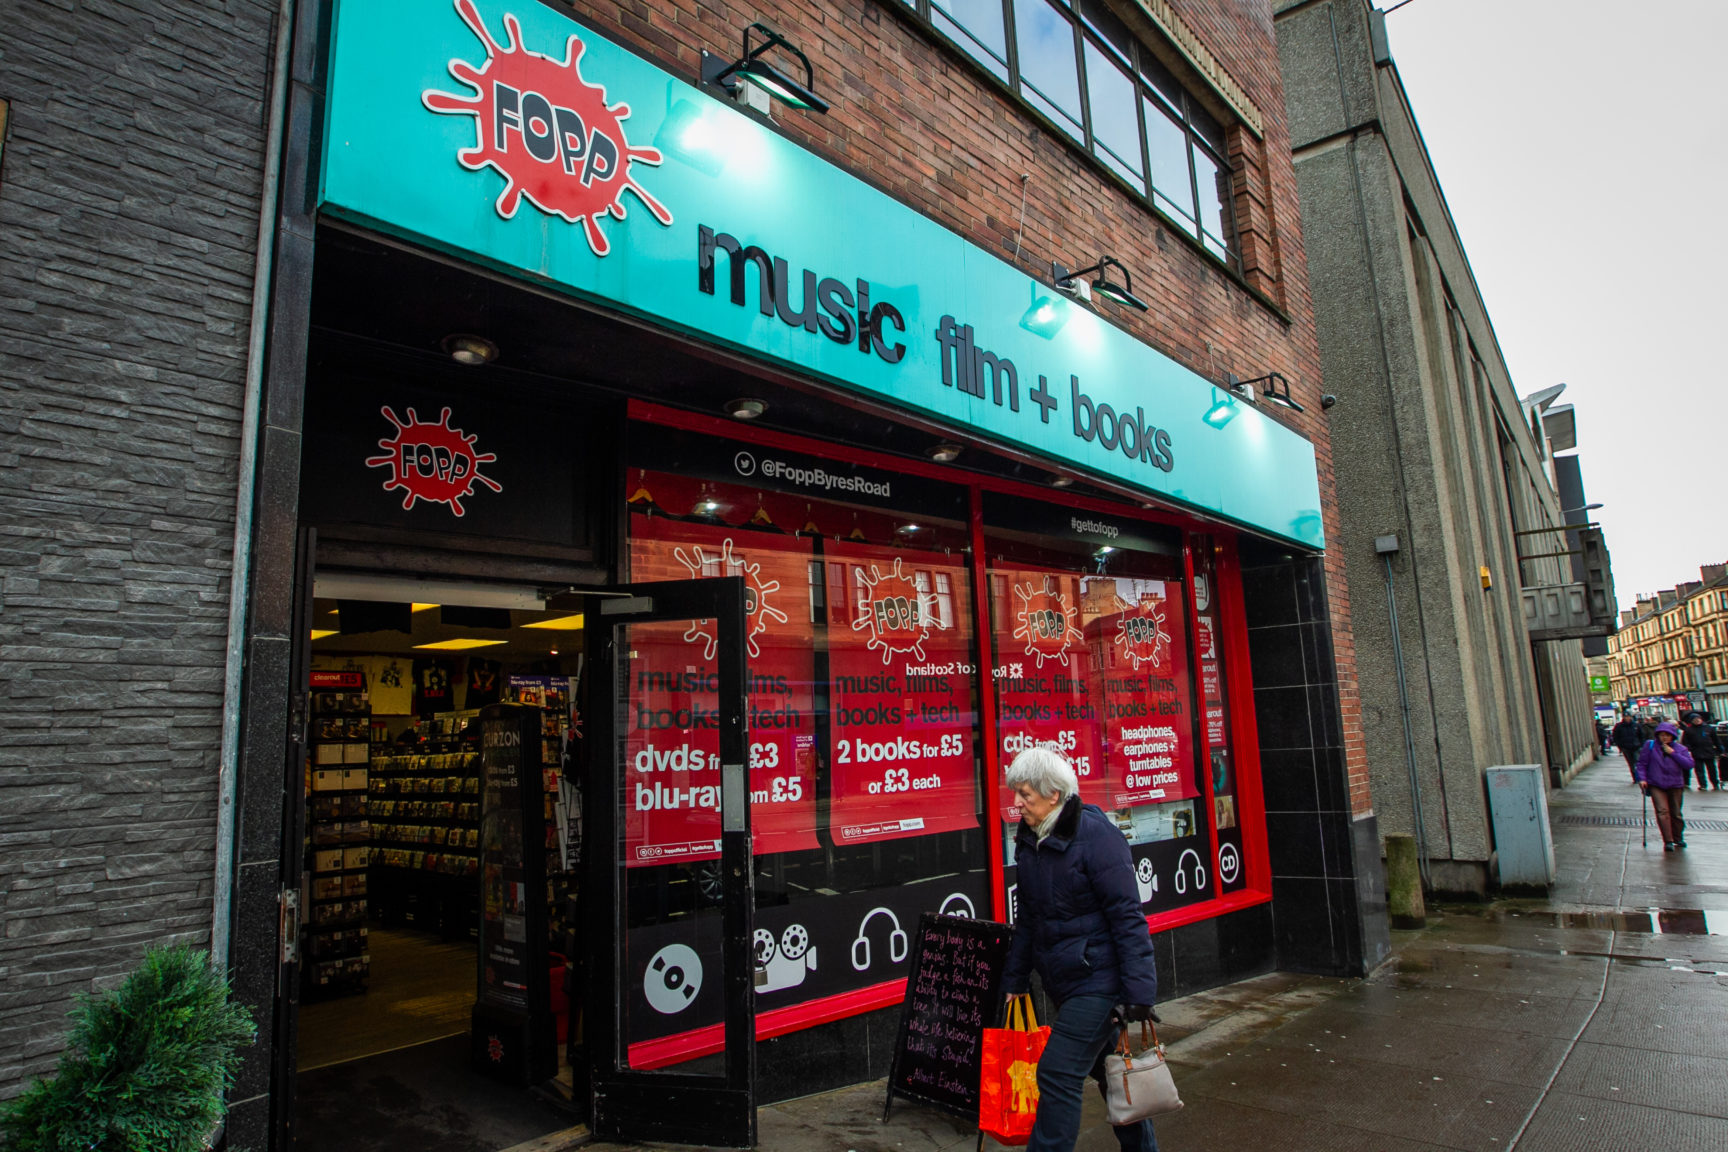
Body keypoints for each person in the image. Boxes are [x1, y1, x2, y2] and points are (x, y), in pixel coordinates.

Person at [1000, 747, 1159, 1152]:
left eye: (1024, 794)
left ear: (1053, 795)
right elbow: (1030, 918)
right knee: (1113, 1074)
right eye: (1015, 792)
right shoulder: (1031, 837)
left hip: (1100, 981)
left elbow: (1128, 917)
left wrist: (1140, 995)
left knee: (1057, 1072)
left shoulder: (1096, 836)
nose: (1016, 802)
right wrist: (1015, 977)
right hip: (1066, 981)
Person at [1635, 722, 1695, 851]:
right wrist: (1642, 779)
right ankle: (1668, 840)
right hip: (1656, 783)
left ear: (1673, 736)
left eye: (1667, 735)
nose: (1665, 738)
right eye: (1662, 735)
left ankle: (1678, 837)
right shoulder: (1650, 746)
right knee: (1662, 811)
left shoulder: (1680, 749)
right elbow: (1641, 764)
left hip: (1675, 784)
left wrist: (1673, 753)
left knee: (1676, 813)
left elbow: (1689, 764)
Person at [1680, 714, 1720, 790]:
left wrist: (1720, 750)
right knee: (1699, 770)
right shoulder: (1689, 730)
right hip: (1697, 752)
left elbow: (1716, 740)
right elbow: (1685, 741)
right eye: (1695, 719)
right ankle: (1703, 785)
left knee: (1712, 770)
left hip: (1709, 752)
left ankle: (1715, 783)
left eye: (1698, 718)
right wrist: (1690, 748)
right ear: (1692, 721)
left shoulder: (1708, 728)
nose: (1697, 720)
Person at [1611, 714, 1643, 782]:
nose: (1627, 718)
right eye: (1626, 717)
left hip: (1636, 747)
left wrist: (1641, 745)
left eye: (1628, 716)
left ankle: (1640, 777)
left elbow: (1641, 735)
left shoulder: (1636, 725)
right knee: (1631, 763)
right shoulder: (1619, 726)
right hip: (1626, 748)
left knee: (1637, 762)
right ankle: (1635, 777)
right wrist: (1620, 746)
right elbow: (1615, 737)